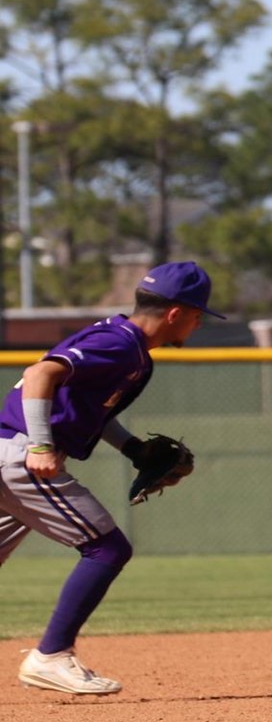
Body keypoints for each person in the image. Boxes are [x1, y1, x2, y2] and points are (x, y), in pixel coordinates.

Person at [2, 261, 222, 695]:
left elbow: (90, 410)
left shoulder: (127, 347)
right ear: (175, 313)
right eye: (198, 316)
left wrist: (134, 450)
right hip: (21, 452)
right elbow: (40, 374)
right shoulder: (119, 345)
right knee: (107, 548)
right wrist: (43, 446)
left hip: (7, 449)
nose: (198, 325)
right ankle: (51, 656)